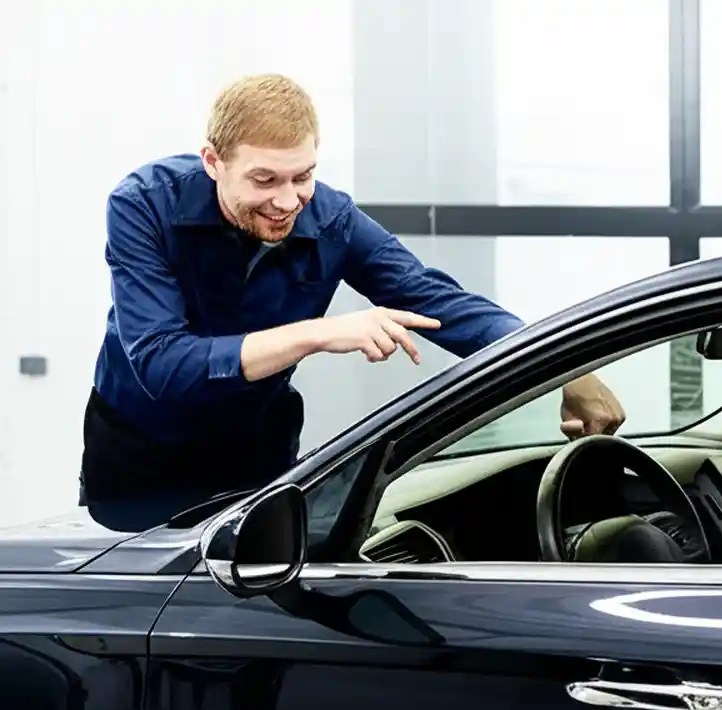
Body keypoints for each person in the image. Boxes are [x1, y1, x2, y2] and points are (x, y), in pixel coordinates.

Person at [80, 73, 625, 529]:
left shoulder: (332, 218)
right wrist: (319, 333)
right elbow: (163, 364)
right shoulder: (143, 205)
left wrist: (566, 367)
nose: (286, 200)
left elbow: (439, 302)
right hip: (139, 453)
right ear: (212, 161)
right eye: (264, 179)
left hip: (255, 453)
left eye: (303, 176)